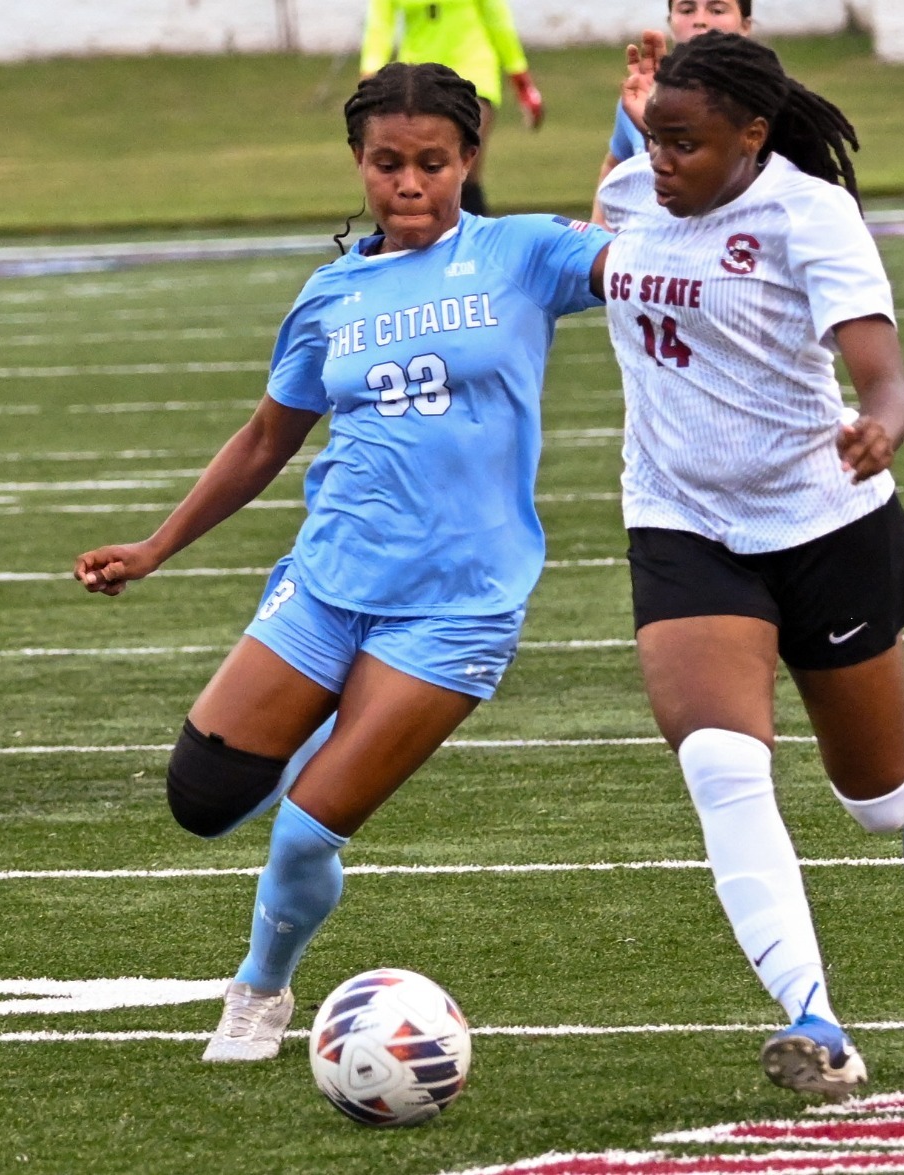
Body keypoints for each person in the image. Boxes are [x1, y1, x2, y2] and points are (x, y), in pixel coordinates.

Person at [73, 62, 610, 1063]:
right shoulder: (331, 292)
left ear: (472, 156)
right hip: (327, 582)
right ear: (358, 163)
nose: (409, 184)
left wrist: (635, 134)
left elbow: (637, 261)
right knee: (201, 797)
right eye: (386, 164)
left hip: (458, 603)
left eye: (433, 163)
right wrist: (153, 547)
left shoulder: (521, 252)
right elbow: (265, 439)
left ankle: (259, 990)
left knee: (305, 832)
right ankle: (323, 765)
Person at [598, 32, 904, 1099]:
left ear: (751, 137)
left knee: (874, 792)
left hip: (827, 526)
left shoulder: (809, 213)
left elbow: (878, 368)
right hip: (680, 525)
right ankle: (813, 1014)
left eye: (685, 142)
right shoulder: (627, 194)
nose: (660, 160)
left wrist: (883, 422)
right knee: (720, 763)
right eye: (651, 138)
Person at [362, 0, 545, 216]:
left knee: (463, 169)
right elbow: (380, 25)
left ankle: (478, 244)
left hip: (473, 74)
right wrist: (370, 75)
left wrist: (522, 82)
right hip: (416, 80)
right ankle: (407, 241)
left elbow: (498, 20)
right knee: (414, 170)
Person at [589, 0, 754, 229]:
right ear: (670, 22)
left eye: (717, 10)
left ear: (745, 26)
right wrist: (598, 233)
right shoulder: (643, 99)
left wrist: (656, 129)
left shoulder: (759, 106)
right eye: (686, 10)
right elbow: (615, 163)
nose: (700, 20)